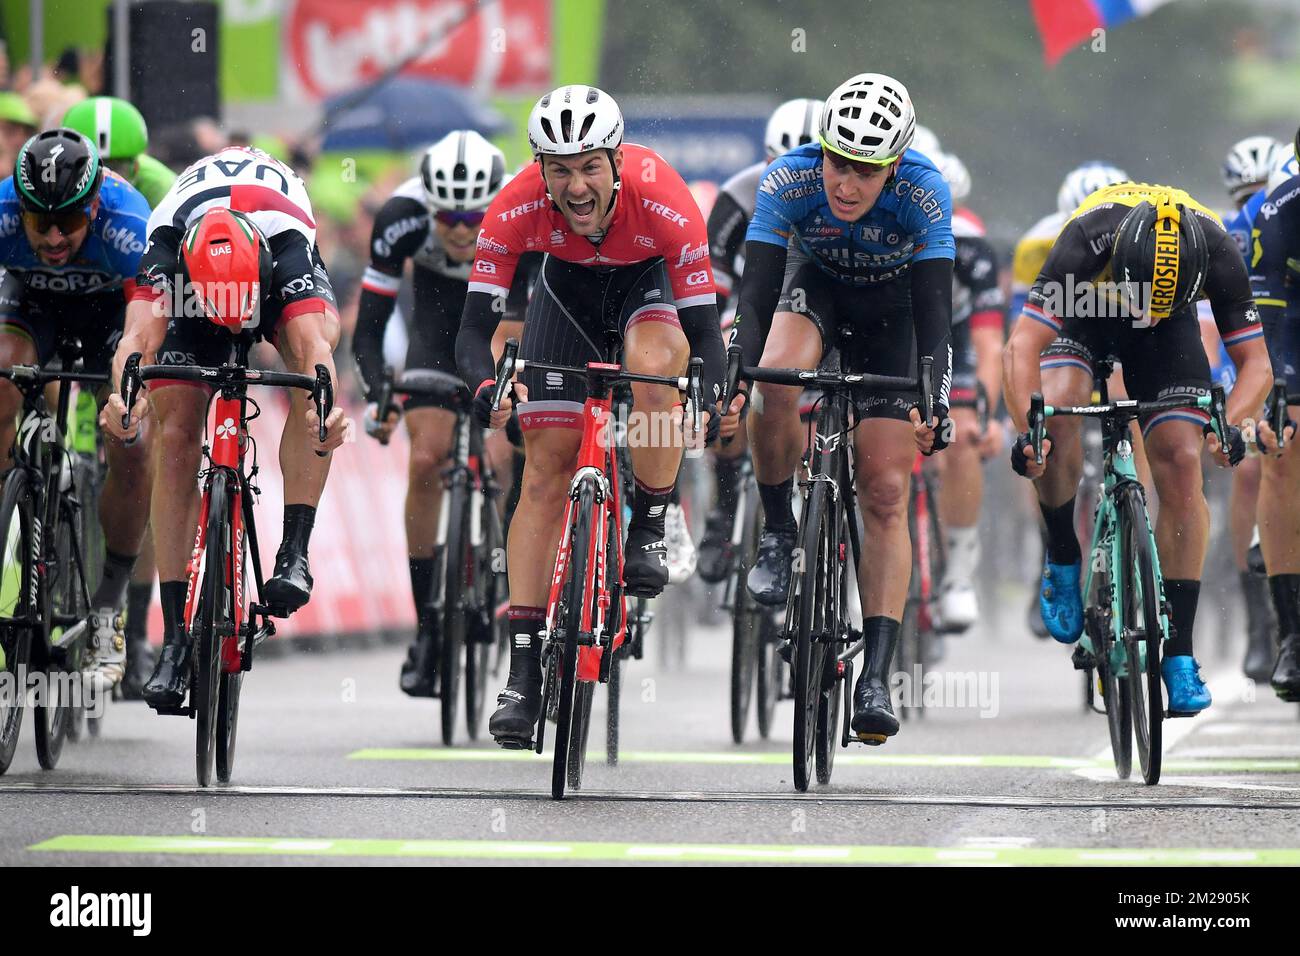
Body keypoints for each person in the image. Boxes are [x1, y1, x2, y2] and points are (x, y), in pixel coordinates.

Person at [454, 85, 733, 747]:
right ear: (539, 169)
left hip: (647, 291)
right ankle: (523, 671)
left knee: (655, 369)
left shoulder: (664, 198)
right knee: (543, 477)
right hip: (566, 297)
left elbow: (705, 334)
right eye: (560, 170)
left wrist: (711, 395)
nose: (576, 187)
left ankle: (652, 521)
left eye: (589, 168)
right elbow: (471, 333)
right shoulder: (515, 204)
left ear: (616, 161)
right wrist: (487, 386)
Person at [733, 73, 956, 742]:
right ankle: (779, 531)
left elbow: (935, 314)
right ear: (821, 149)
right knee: (775, 379)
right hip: (818, 293)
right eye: (837, 162)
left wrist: (935, 399)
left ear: (896, 164)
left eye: (866, 171)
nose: (847, 185)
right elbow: (755, 296)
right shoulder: (789, 179)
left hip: (896, 316)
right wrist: (733, 379)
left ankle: (877, 675)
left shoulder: (925, 190)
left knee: (885, 490)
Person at [1004, 181, 1274, 715]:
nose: (1144, 309)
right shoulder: (1085, 239)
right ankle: (1062, 553)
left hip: (1167, 333)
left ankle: (1180, 654)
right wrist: (1029, 433)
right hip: (1085, 308)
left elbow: (1257, 364)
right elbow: (1022, 347)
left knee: (1182, 459)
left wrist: (1233, 427)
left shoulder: (1217, 249)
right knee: (1058, 411)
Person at [101, 145, 349, 710]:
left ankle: (295, 551)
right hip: (196, 289)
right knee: (176, 432)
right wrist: (125, 402)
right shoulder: (166, 243)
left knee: (310, 387)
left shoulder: (287, 243)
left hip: (267, 263)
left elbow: (314, 350)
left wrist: (325, 411)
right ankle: (174, 638)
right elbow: (136, 342)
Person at [352, 129, 531, 697]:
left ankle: (502, 572)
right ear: (428, 205)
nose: (460, 229)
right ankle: (428, 626)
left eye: (473, 217)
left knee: (502, 453)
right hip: (434, 330)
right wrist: (380, 393)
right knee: (426, 458)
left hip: (504, 323)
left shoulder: (523, 211)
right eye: (448, 217)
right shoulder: (400, 216)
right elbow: (369, 328)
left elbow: (527, 323)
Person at [0, 128, 154, 689]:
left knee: (133, 438)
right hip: (33, 302)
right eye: (39, 223)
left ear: (92, 206)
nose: (54, 236)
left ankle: (110, 608)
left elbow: (144, 329)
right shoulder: (3, 213)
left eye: (68, 220)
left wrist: (126, 397)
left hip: (110, 314)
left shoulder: (128, 222)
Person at [62, 95, 177, 698]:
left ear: (141, 163)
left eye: (123, 166)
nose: (111, 176)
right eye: (102, 165)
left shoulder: (158, 193)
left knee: (141, 452)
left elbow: (160, 306)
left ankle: (132, 635)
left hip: (130, 304)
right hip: (62, 293)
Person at [697, 96, 821, 583]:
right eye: (779, 166)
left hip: (813, 309)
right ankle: (724, 505)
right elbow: (711, 285)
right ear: (766, 160)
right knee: (730, 388)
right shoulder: (739, 195)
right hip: (749, 306)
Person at [1009, 161, 1129, 637]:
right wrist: (1028, 417)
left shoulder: (1143, 241)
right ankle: (1051, 542)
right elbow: (1022, 333)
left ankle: (1140, 543)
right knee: (1050, 429)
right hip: (1064, 329)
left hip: (1124, 326)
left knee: (1137, 415)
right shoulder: (1038, 246)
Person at [1214, 135, 1286, 682]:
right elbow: (1215, 325)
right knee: (1248, 468)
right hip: (1247, 344)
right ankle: (1261, 621)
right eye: (1247, 197)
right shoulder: (1228, 233)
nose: (1256, 205)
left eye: (1264, 193)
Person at [928, 150, 1005, 632]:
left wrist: (988, 414)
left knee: (962, 436)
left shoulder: (973, 248)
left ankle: (957, 572)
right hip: (893, 333)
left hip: (954, 340)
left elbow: (989, 343)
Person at [1248, 127, 1300, 703]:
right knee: (1282, 450)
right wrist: (1275, 390)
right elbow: (1267, 309)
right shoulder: (1279, 207)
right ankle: (1292, 632)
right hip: (1292, 319)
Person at [62, 97, 176, 209]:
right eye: (91, 169)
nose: (104, 179)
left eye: (115, 168)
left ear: (136, 168)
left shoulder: (162, 187)